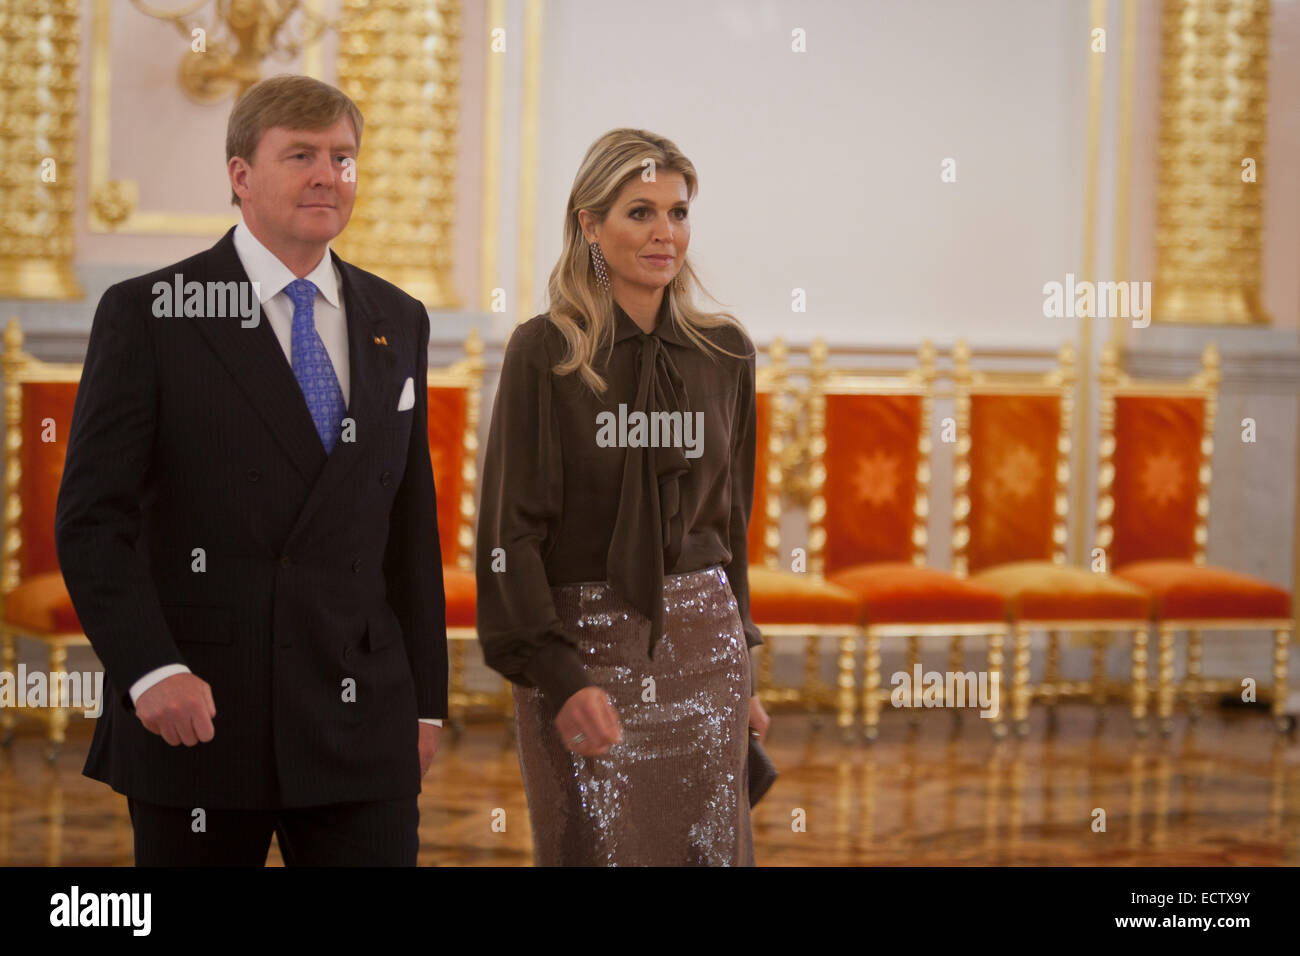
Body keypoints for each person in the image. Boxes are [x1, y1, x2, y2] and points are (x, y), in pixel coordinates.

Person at [54, 74, 448, 866]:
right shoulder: (150, 312)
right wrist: (150, 668)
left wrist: (427, 702)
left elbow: (409, 527)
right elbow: (94, 521)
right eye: (300, 154)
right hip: (199, 711)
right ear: (240, 175)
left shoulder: (397, 318)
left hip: (357, 714)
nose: (327, 175)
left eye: (342, 157)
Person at [476, 128, 771, 866]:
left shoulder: (725, 351)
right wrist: (559, 676)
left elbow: (728, 527)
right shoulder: (545, 351)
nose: (664, 233)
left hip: (707, 658)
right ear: (589, 224)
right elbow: (511, 536)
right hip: (584, 658)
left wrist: (747, 672)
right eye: (640, 212)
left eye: (678, 212)